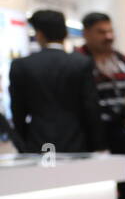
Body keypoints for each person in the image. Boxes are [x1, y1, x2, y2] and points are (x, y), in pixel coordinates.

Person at [78, 12, 125, 199]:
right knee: (94, 192)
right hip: (89, 137)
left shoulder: (121, 59)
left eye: (110, 31)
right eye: (101, 32)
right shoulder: (78, 60)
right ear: (87, 33)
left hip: (119, 134)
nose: (108, 36)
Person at [8, 10, 102, 154]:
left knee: (43, 176)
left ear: (39, 34)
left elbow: (18, 110)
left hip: (38, 140)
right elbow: (91, 107)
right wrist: (97, 144)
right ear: (64, 33)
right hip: (76, 140)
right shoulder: (81, 63)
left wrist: (23, 143)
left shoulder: (21, 65)